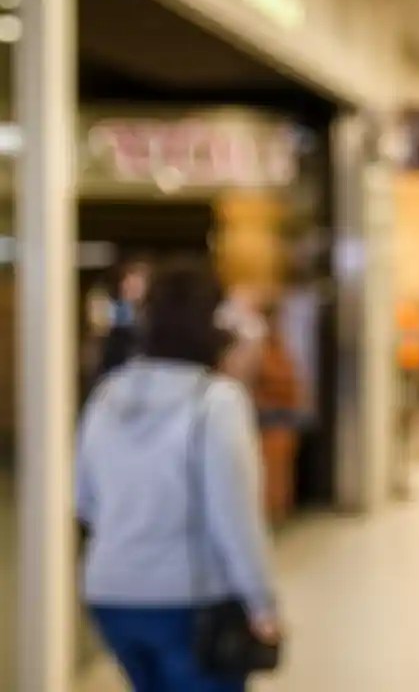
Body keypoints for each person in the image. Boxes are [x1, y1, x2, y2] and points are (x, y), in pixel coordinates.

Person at [76, 261, 281, 692]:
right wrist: (262, 603)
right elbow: (235, 519)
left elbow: (85, 500)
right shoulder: (216, 403)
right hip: (189, 601)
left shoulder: (107, 395)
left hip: (112, 595)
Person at [256, 303, 303, 524]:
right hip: (267, 424)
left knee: (278, 476)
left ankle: (278, 512)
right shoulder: (259, 351)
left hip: (279, 423)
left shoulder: (279, 350)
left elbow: (291, 385)